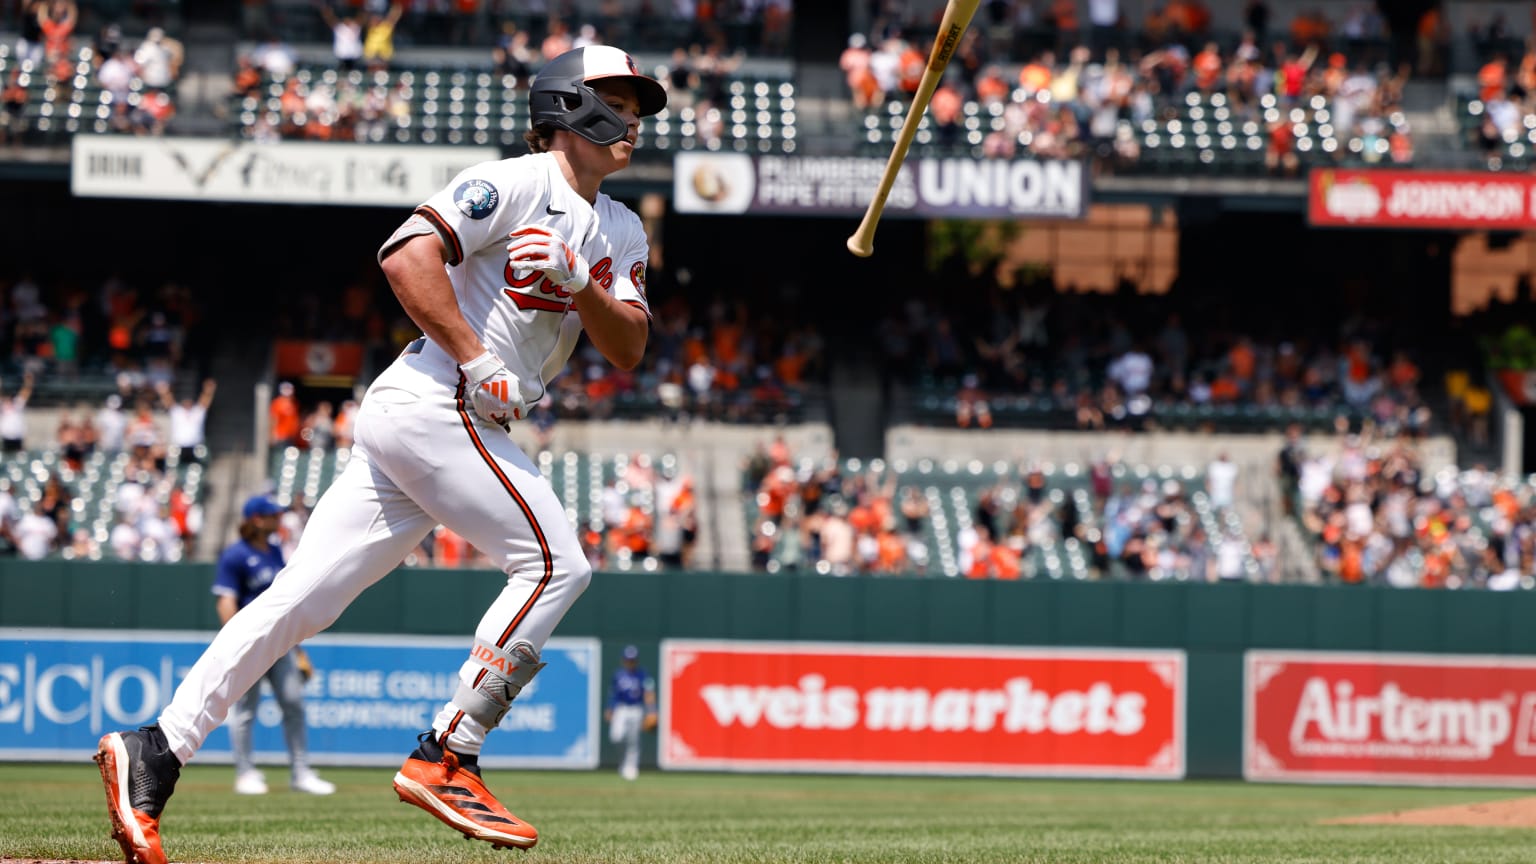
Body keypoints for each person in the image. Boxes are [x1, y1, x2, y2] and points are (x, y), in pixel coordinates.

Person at [94, 44, 665, 863]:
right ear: (570, 104)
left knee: (300, 601)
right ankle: (449, 752)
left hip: (442, 416)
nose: (636, 119)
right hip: (442, 398)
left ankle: (156, 748)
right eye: (621, 100)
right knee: (555, 565)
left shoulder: (622, 227)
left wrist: (584, 284)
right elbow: (405, 253)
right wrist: (478, 357)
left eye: (639, 105)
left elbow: (630, 346)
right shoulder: (513, 183)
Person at [215, 494, 335, 797]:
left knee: (293, 704)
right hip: (250, 644)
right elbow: (226, 601)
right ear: (257, 519)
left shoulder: (274, 552)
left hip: (280, 644)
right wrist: (236, 644)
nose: (278, 519)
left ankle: (301, 772)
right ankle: (245, 773)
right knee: (245, 711)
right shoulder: (235, 555)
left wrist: (298, 648)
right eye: (272, 515)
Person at [604, 644, 657, 781]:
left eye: (632, 660)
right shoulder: (618, 675)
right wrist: (610, 708)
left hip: (636, 709)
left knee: (633, 741)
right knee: (616, 737)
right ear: (623, 660)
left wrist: (652, 711)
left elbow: (649, 693)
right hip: (621, 709)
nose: (630, 662)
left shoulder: (643, 674)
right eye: (628, 659)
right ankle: (623, 762)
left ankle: (631, 767)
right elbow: (613, 694)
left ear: (636, 660)